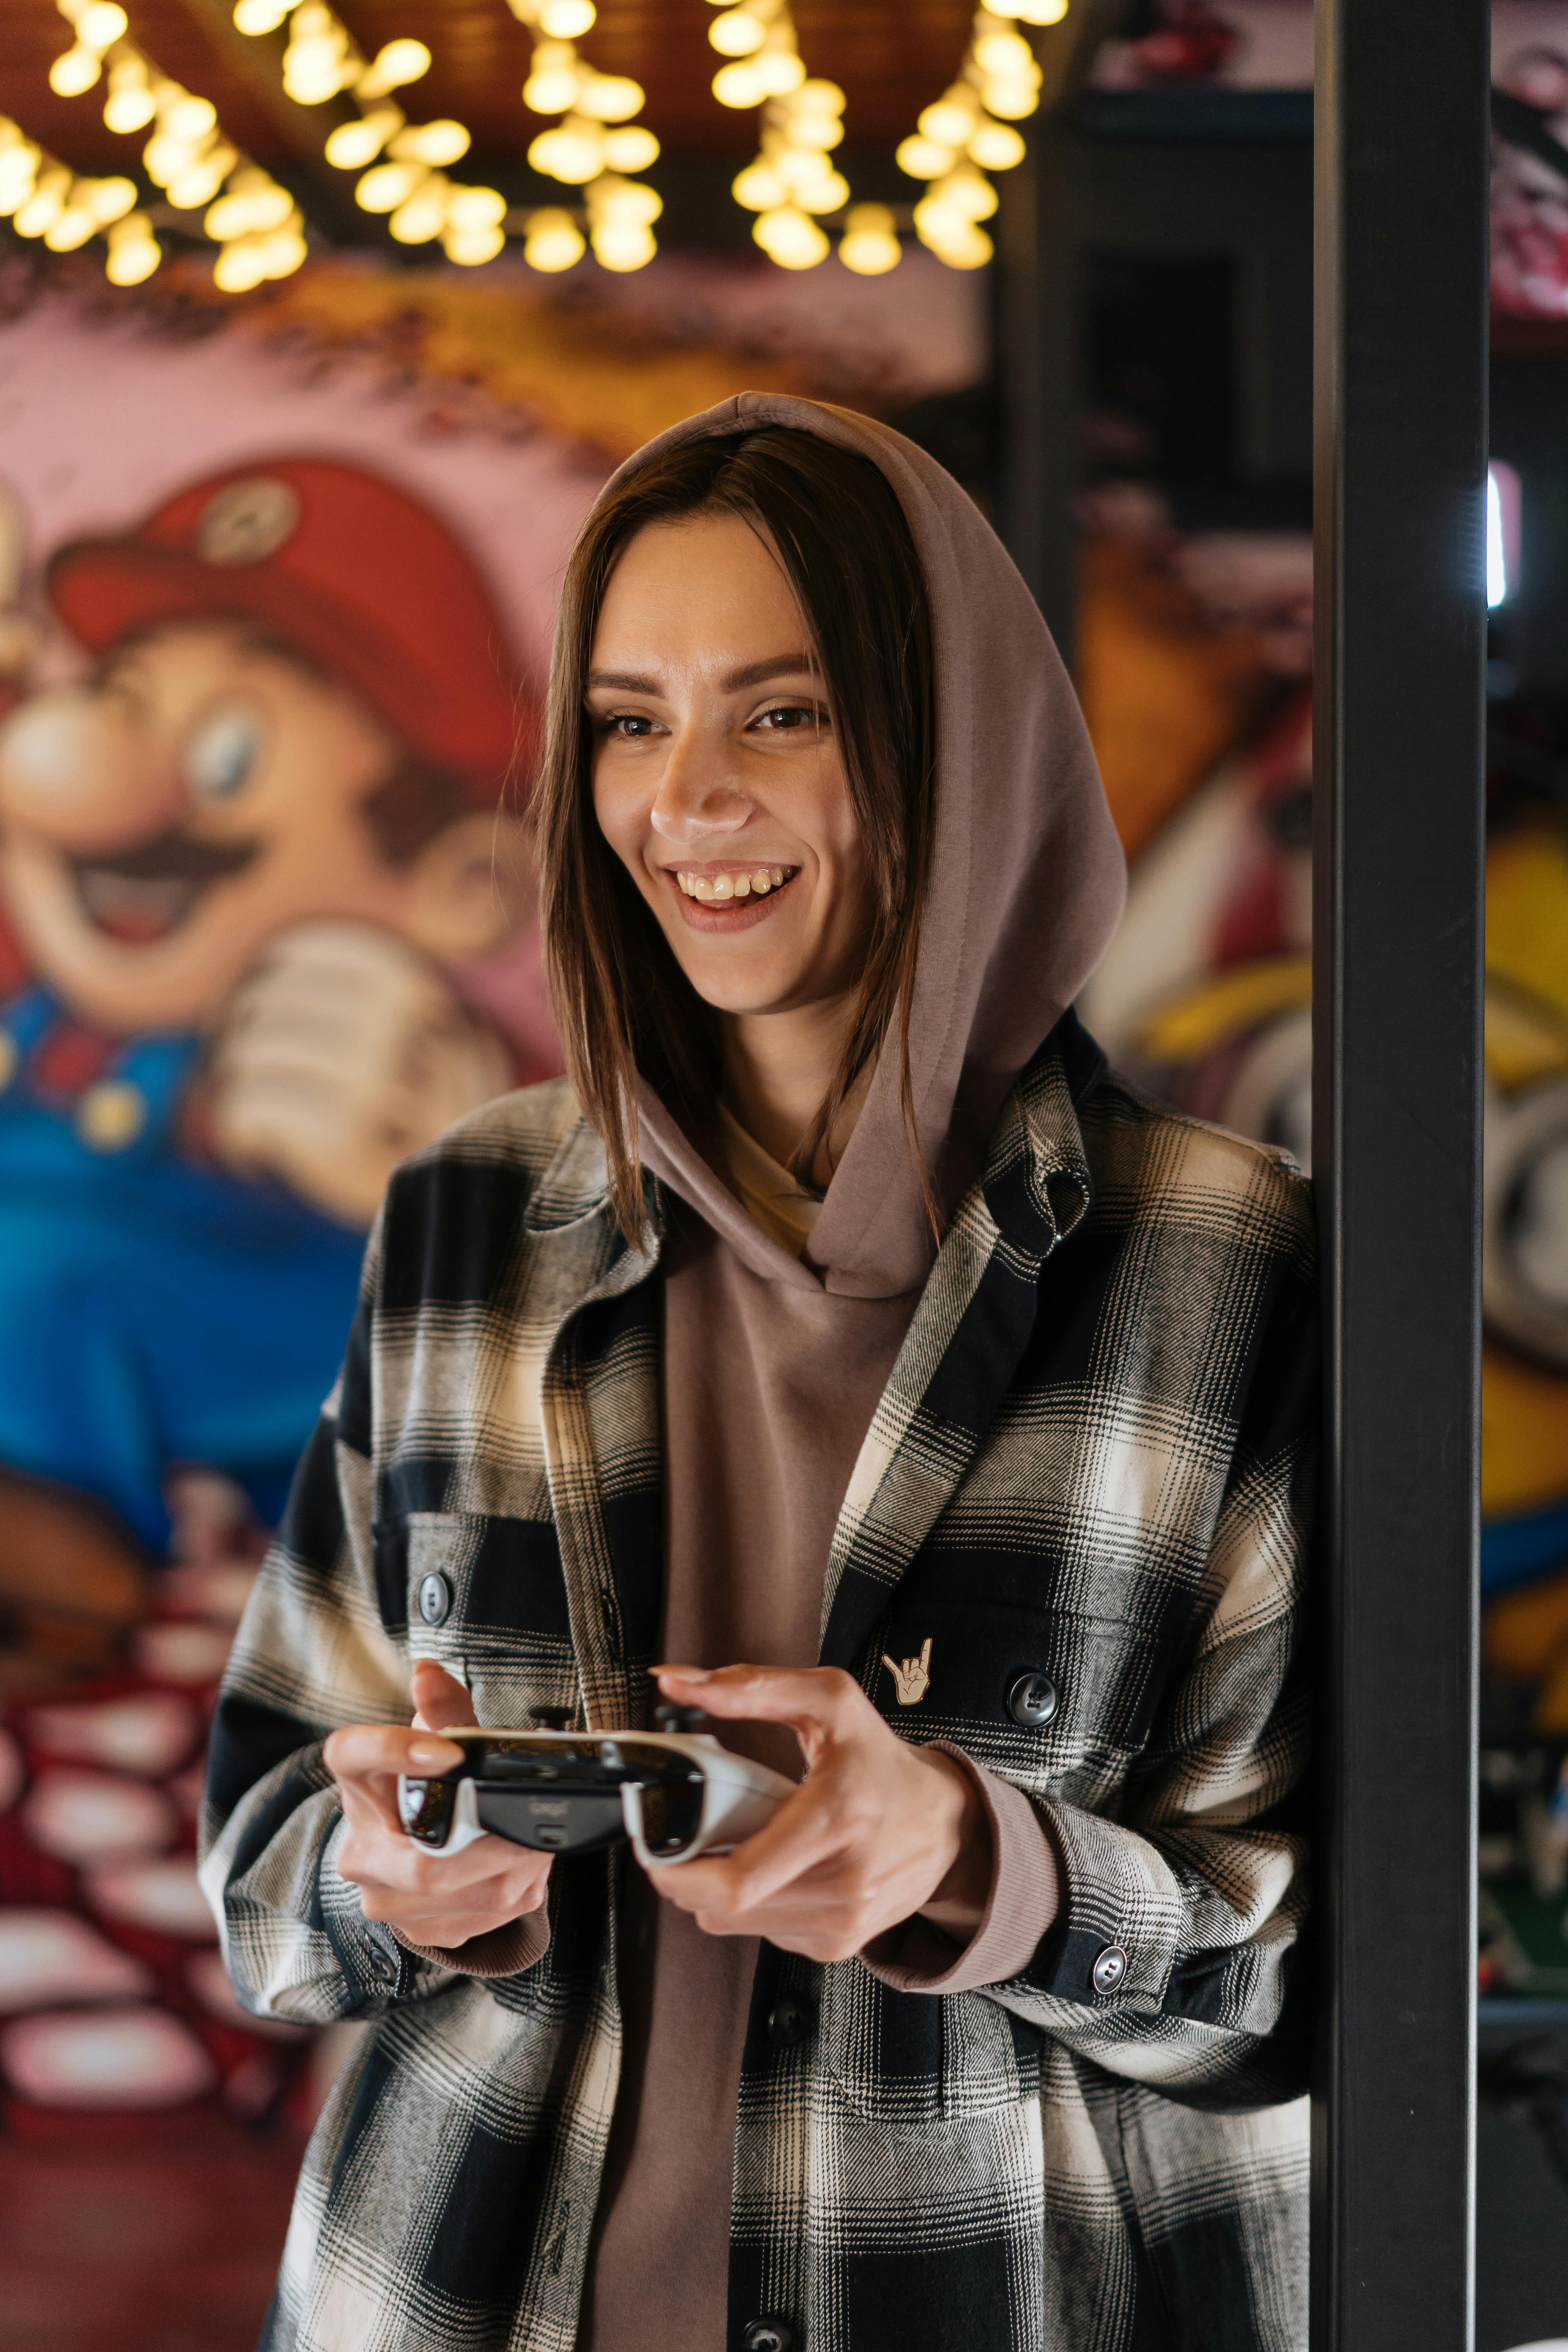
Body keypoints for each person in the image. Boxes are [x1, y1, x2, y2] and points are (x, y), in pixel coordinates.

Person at [201, 394, 1316, 2352]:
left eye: (779, 713)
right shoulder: (466, 1212)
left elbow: (1311, 1978)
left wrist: (986, 1863)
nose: (684, 798)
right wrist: (383, 1872)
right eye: (629, 720)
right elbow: (270, 1857)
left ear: (951, 749)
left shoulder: (1225, 1259)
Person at [0, 458, 541, 1680]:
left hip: (256, 1344)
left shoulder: (389, 1059)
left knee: (32, 1266)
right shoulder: (66, 1016)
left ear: (456, 880)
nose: (102, 788)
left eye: (227, 750)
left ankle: (52, 1584)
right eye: (122, 703)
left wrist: (434, 1168)